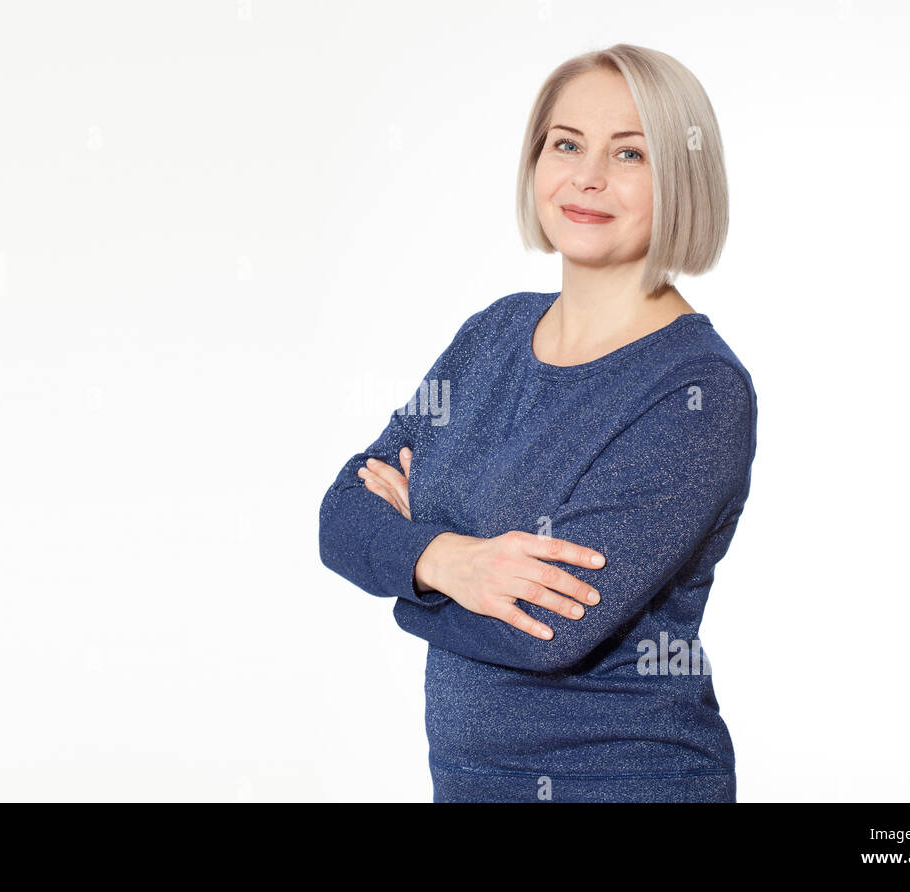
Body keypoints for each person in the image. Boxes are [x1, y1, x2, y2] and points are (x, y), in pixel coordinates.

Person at [318, 43, 757, 802]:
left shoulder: (698, 389)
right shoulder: (491, 337)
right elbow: (340, 516)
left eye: (630, 153)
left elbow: (541, 626)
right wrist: (451, 560)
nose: (587, 177)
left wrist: (401, 559)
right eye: (566, 144)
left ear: (682, 179)